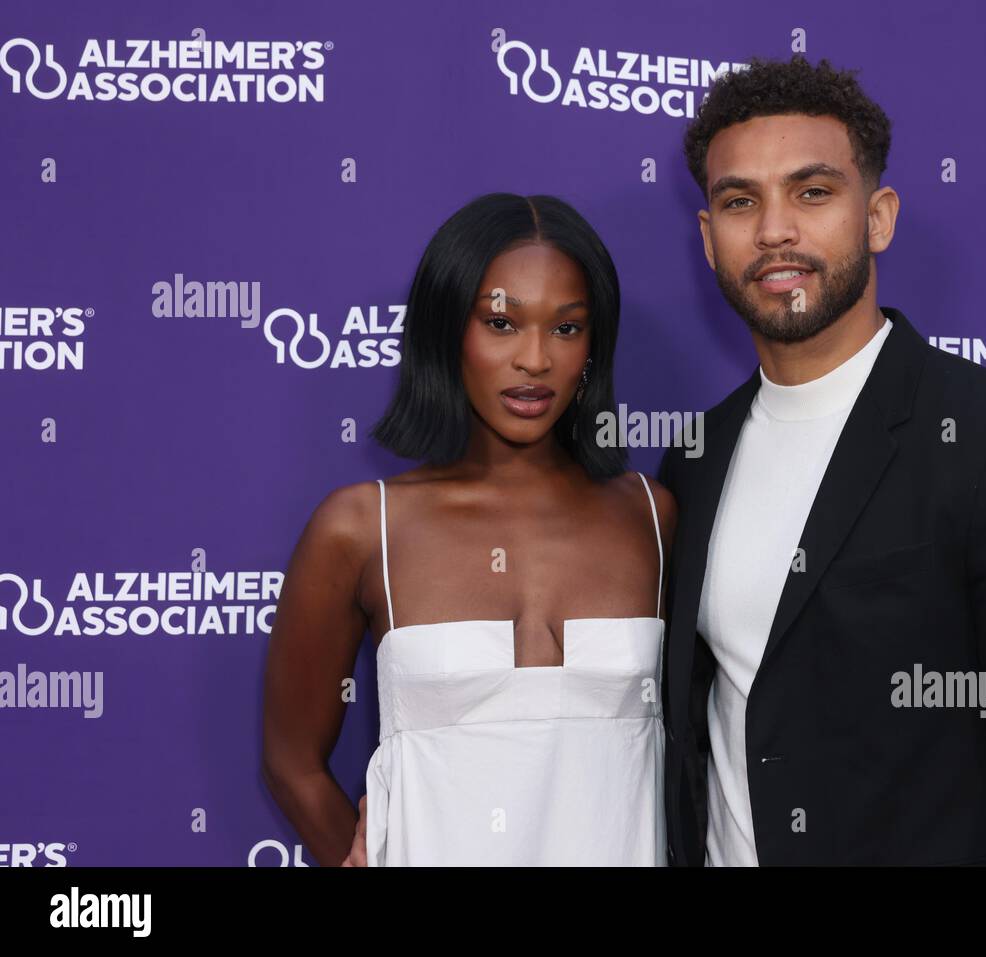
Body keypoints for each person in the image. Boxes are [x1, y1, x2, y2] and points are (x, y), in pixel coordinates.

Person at [656, 55, 986, 865]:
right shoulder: (693, 458)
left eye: (813, 192)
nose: (775, 229)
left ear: (878, 217)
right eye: (740, 201)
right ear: (709, 240)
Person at [261, 192, 676, 866]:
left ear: (594, 346)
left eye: (566, 328)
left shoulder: (650, 516)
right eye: (502, 323)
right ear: (448, 330)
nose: (536, 359)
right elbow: (291, 760)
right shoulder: (363, 528)